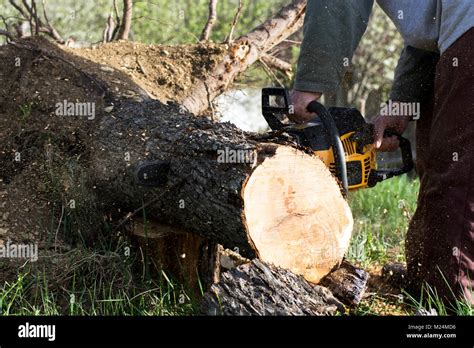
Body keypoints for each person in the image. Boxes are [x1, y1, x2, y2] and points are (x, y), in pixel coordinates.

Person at [290, 0, 474, 306]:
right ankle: (427, 276)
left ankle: (449, 303)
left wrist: (309, 86)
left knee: (459, 172)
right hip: (457, 36)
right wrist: (401, 102)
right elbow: (431, 33)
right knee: (437, 158)